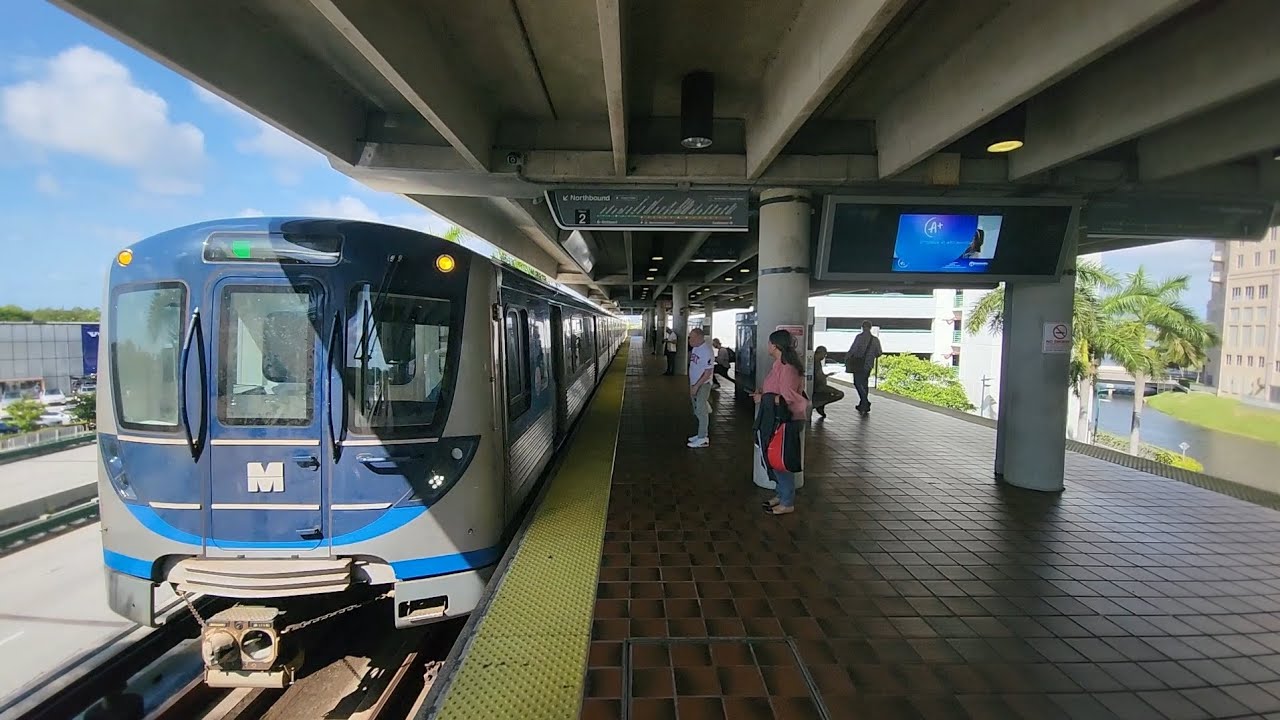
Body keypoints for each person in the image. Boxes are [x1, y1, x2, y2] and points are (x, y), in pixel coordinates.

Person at [753, 330, 807, 515]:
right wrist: (764, 392)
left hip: (784, 420)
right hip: (775, 418)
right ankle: (781, 493)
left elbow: (787, 399)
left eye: (769, 343)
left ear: (776, 346)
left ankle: (787, 502)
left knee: (780, 460)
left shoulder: (788, 368)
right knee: (773, 458)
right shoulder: (779, 365)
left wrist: (764, 397)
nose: (767, 346)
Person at [844, 321, 882, 416]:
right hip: (868, 365)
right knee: (865, 383)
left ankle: (865, 401)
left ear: (862, 327)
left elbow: (853, 349)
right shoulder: (875, 340)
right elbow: (879, 353)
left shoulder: (859, 337)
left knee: (857, 382)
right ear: (870, 327)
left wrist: (847, 358)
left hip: (858, 364)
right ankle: (863, 403)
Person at [686, 328, 715, 448]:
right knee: (697, 409)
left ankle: (703, 437)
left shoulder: (706, 351)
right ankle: (700, 434)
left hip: (702, 384)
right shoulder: (696, 347)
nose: (689, 340)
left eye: (691, 337)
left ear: (699, 337)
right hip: (695, 384)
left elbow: (708, 373)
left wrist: (696, 386)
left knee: (701, 411)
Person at [810, 346, 844, 418]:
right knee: (839, 394)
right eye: (824, 355)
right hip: (819, 386)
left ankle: (820, 404)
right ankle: (818, 404)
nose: (824, 357)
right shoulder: (816, 362)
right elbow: (819, 376)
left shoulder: (814, 361)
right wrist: (826, 375)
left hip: (817, 386)